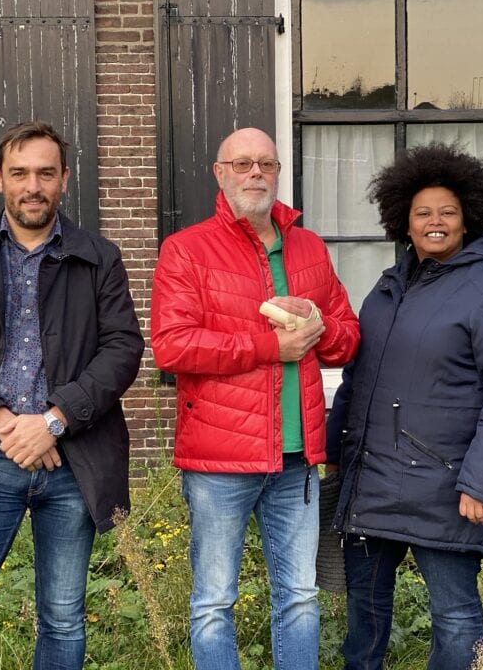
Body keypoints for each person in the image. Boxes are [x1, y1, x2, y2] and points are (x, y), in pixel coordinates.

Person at [0, 120, 145, 670]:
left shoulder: (98, 257)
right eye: (19, 173)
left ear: (64, 180)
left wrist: (53, 422)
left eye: (45, 173)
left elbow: (122, 352)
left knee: (62, 621)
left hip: (71, 467)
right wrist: (4, 423)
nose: (32, 185)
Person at [150, 127, 360, 670]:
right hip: (220, 459)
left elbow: (346, 338)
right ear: (220, 175)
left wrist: (316, 324)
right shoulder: (187, 250)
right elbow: (172, 346)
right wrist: (271, 344)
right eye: (242, 164)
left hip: (298, 459)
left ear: (278, 174)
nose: (255, 174)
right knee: (214, 601)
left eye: (266, 164)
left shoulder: (308, 247)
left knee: (300, 597)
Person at [326, 143, 483, 670]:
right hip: (370, 479)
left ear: (469, 217)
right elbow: (358, 377)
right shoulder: (388, 287)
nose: (435, 222)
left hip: (445, 486)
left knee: (456, 616)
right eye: (423, 212)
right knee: (364, 612)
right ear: (404, 218)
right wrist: (334, 453)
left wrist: (482, 481)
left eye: (448, 211)